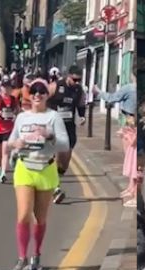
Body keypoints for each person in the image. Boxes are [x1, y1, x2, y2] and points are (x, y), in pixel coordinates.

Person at [7, 78, 68, 270]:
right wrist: (15, 144)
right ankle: (21, 258)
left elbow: (64, 145)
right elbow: (9, 143)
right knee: (24, 214)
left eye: (41, 92)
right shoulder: (22, 117)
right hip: (25, 168)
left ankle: (37, 255)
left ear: (46, 96)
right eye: (34, 91)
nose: (37, 95)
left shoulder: (54, 117)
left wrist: (49, 135)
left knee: (40, 218)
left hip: (46, 169)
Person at [47, 66, 85, 204]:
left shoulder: (79, 90)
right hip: (55, 126)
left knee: (66, 160)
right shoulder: (55, 86)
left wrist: (82, 116)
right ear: (68, 76)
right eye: (74, 79)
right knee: (58, 154)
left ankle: (54, 182)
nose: (76, 82)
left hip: (69, 127)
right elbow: (43, 99)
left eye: (79, 80)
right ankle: (56, 188)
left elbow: (81, 104)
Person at [0, 81, 17, 184]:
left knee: (5, 151)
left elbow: (17, 110)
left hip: (8, 128)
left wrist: (15, 115)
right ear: (1, 88)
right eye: (5, 88)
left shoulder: (13, 99)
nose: (7, 90)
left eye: (9, 88)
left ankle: (3, 173)